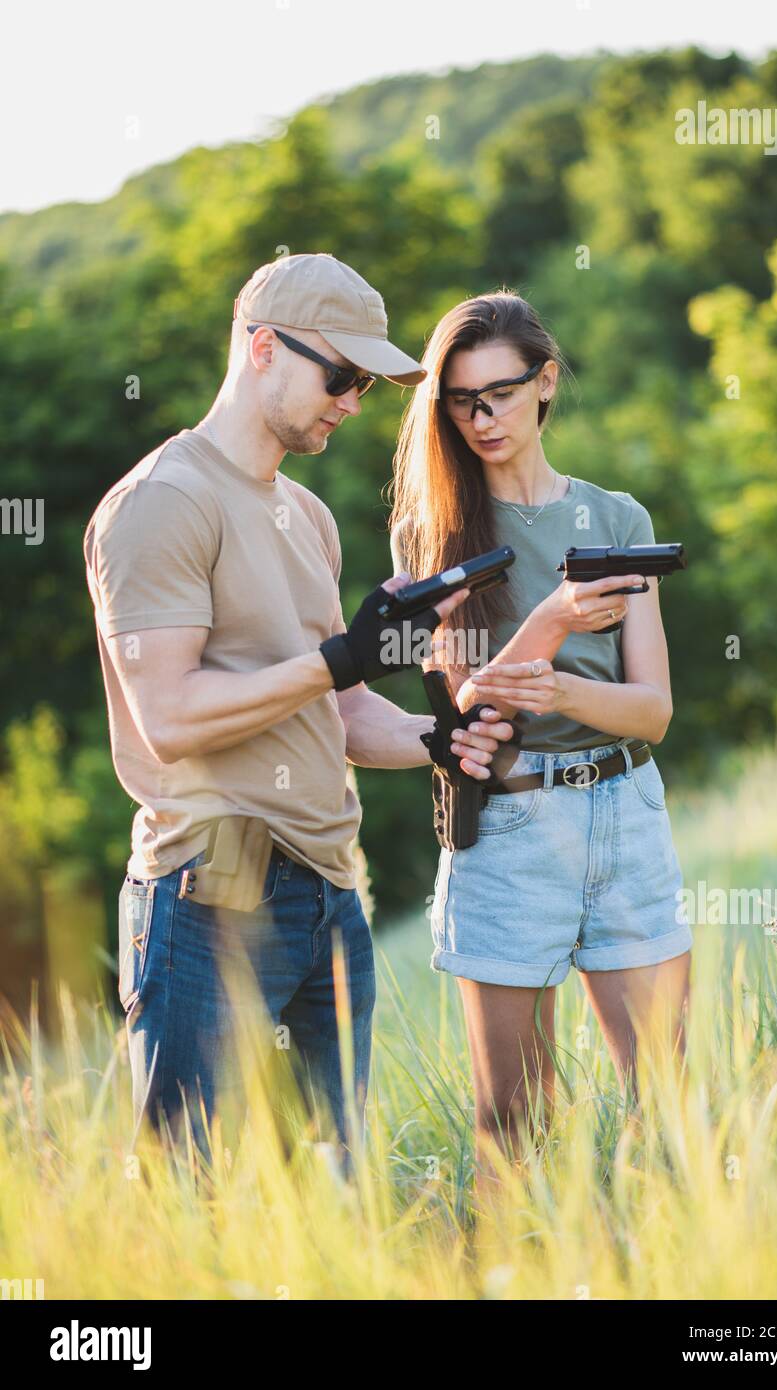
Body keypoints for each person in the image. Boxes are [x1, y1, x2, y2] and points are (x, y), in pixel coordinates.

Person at [83, 253, 515, 1165]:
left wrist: (440, 736)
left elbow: (346, 717)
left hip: (329, 890)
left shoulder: (308, 516)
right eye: (343, 375)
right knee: (186, 1189)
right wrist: (337, 658)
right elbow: (170, 717)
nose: (353, 402)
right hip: (212, 890)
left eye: (366, 383)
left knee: (333, 1187)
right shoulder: (162, 504)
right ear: (263, 349)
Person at [389, 291, 692, 1178]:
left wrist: (556, 684)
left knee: (664, 1101)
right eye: (460, 401)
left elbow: (653, 711)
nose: (482, 419)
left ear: (546, 382)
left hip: (625, 812)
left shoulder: (618, 521)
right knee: (513, 1123)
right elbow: (471, 715)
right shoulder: (431, 534)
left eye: (501, 394)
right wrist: (556, 620)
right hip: (510, 827)